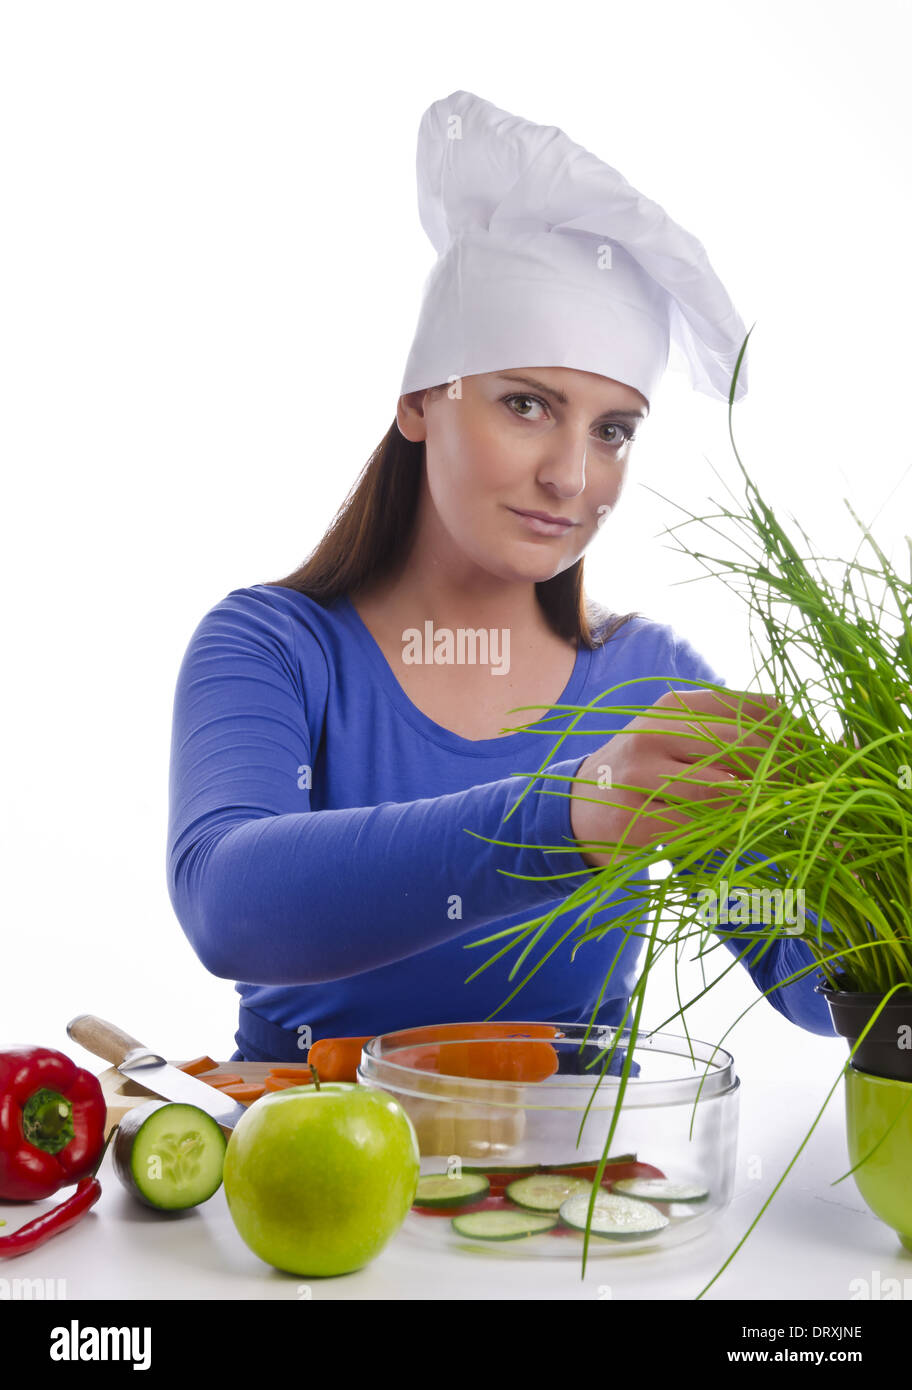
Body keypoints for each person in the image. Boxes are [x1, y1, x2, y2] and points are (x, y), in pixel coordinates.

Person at [166, 91, 837, 1062]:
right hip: (306, 1194)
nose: (572, 474)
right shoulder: (276, 648)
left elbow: (817, 983)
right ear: (420, 402)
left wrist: (861, 851)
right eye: (527, 404)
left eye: (612, 431)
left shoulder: (650, 679)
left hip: (581, 1200)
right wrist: (571, 811)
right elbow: (230, 906)